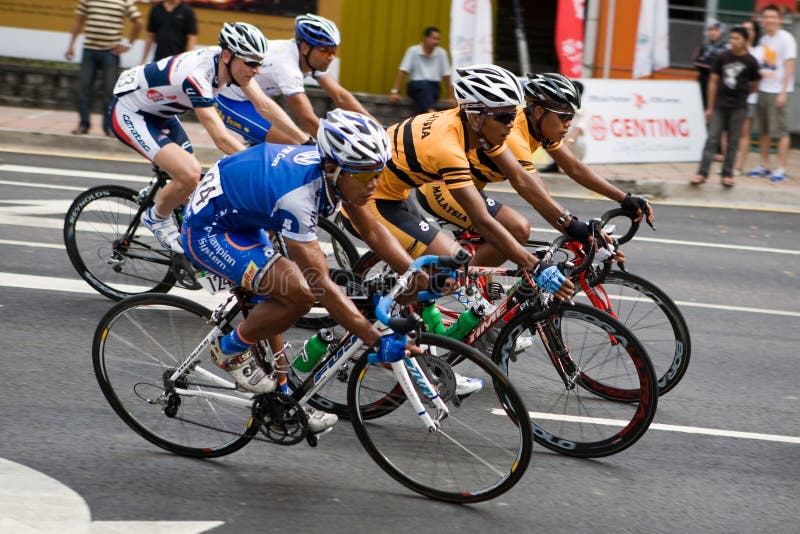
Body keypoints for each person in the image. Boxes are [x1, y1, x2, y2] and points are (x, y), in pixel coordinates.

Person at [180, 110, 428, 433]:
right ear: (332, 169)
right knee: (299, 293)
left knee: (280, 294)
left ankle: (285, 400)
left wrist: (411, 270)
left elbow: (373, 232)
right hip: (210, 230)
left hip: (244, 214)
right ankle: (229, 350)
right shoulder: (299, 197)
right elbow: (321, 283)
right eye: (367, 176)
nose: (375, 185)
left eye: (378, 173)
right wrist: (374, 338)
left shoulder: (334, 173)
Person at [342, 64, 576, 292]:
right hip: (370, 201)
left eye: (514, 115)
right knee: (447, 273)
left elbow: (519, 176)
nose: (512, 124)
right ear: (475, 117)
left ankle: (412, 304)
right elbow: (483, 221)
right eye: (504, 117)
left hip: (396, 194)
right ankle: (385, 319)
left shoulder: (475, 127)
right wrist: (535, 266)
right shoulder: (449, 148)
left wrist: (568, 223)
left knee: (447, 273)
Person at [108, 22, 308, 253]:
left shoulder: (232, 66)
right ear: (226, 55)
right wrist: (261, 169)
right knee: (189, 174)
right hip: (130, 112)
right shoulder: (198, 75)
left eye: (260, 64)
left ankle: (181, 227)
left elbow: (264, 105)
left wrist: (304, 140)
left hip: (160, 113)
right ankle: (157, 217)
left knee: (195, 187)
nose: (257, 71)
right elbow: (221, 139)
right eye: (251, 63)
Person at [415, 72, 654, 255]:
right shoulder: (513, 135)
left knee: (508, 237)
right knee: (518, 230)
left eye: (572, 117)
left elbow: (574, 167)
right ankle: (465, 292)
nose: (569, 123)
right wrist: (573, 227)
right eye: (564, 116)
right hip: (442, 190)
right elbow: (535, 191)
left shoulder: (540, 130)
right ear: (539, 111)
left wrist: (623, 198)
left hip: (470, 189)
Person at [215, 14, 371, 143]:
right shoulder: (287, 67)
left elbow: (341, 96)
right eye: (325, 51)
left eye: (333, 52)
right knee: (297, 143)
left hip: (254, 99)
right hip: (230, 99)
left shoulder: (313, 59)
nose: (330, 57)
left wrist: (379, 128)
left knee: (293, 143)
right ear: (304, 48)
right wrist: (339, 147)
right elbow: (308, 120)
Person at [691, 27, 760, 188]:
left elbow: (755, 83)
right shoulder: (722, 57)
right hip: (719, 105)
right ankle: (702, 172)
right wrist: (709, 106)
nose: (733, 42)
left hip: (739, 107)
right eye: (731, 39)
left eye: (737, 39)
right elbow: (713, 81)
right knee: (712, 138)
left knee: (733, 141)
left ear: (745, 40)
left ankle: (727, 173)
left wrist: (744, 95)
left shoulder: (751, 61)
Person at [65, 0, 142, 137]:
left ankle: (109, 127)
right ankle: (83, 124)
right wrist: (71, 45)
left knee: (110, 91)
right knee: (84, 88)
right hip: (89, 50)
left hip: (111, 52)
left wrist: (128, 44)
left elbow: (139, 22)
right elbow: (79, 21)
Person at [747, 4, 797, 182]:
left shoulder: (786, 39)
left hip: (778, 91)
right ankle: (764, 164)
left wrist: (783, 92)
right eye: (766, 17)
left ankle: (781, 168)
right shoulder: (764, 40)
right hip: (763, 89)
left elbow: (790, 67)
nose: (769, 20)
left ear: (780, 19)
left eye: (773, 17)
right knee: (763, 130)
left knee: (781, 131)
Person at [388, 26, 455, 115]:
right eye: (434, 38)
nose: (436, 42)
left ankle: (429, 113)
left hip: (433, 88)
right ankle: (432, 114)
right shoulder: (413, 51)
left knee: (425, 93)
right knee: (423, 88)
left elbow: (447, 76)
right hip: (415, 85)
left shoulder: (441, 53)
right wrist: (394, 92)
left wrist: (451, 97)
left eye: (438, 39)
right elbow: (402, 71)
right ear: (426, 38)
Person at [734, 19, 764, 176]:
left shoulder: (759, 51)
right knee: (729, 132)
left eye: (750, 29)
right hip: (731, 97)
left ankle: (739, 166)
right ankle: (729, 164)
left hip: (748, 98)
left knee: (744, 133)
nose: (747, 31)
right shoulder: (732, 48)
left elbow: (758, 78)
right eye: (744, 28)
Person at [693, 20, 728, 110]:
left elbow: (720, 66)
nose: (712, 33)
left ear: (721, 32)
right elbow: (696, 62)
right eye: (711, 30)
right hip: (702, 80)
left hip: (717, 82)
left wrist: (707, 63)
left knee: (713, 107)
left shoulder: (726, 48)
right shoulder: (704, 46)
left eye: (716, 30)